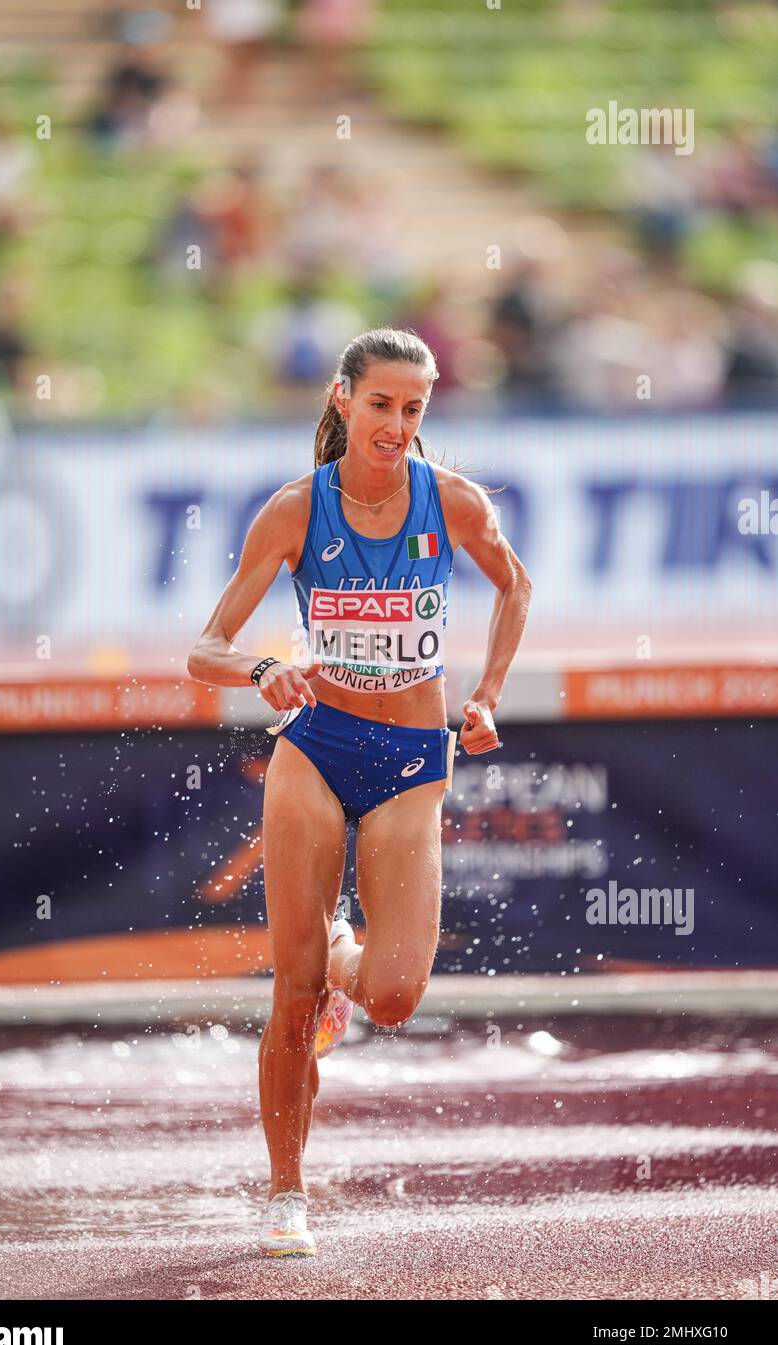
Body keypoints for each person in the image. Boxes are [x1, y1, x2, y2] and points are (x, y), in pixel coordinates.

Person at [186, 327, 532, 1255]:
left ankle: (347, 952)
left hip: (412, 758)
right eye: (380, 404)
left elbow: (516, 585)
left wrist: (488, 694)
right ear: (343, 399)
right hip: (317, 745)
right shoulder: (295, 513)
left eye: (413, 409)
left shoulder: (450, 503)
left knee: (388, 997)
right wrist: (262, 666)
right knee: (292, 995)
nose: (396, 424)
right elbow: (204, 650)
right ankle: (286, 1195)